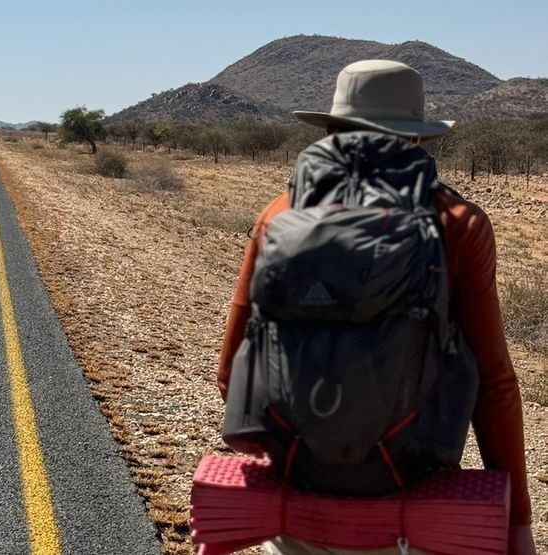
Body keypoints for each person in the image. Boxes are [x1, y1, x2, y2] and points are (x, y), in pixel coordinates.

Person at [217, 60, 536, 555]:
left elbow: (231, 365)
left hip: (297, 500)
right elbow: (494, 388)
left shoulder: (280, 215)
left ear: (330, 130)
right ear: (416, 138)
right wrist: (517, 522)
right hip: (411, 501)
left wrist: (301, 452)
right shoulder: (458, 222)